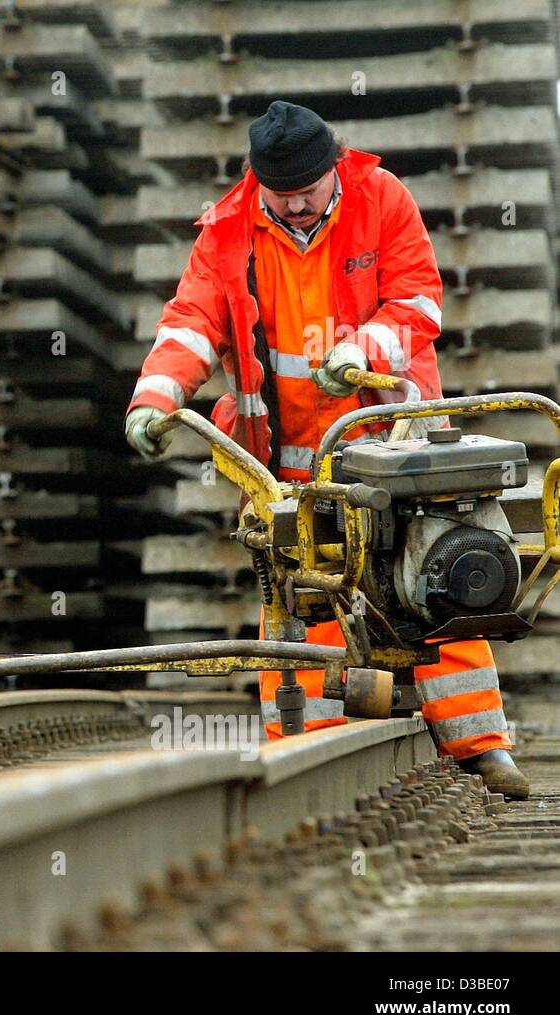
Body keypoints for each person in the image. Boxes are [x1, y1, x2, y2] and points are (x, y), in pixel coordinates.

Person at [123, 100, 527, 798]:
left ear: (333, 169)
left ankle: (481, 748)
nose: (298, 208)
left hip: (395, 446)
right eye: (283, 198)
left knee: (433, 587)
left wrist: (361, 349)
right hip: (290, 463)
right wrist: (154, 396)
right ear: (260, 187)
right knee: (302, 603)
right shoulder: (228, 233)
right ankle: (313, 757)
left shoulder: (382, 199)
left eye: (307, 195)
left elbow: (419, 301)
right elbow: (192, 324)